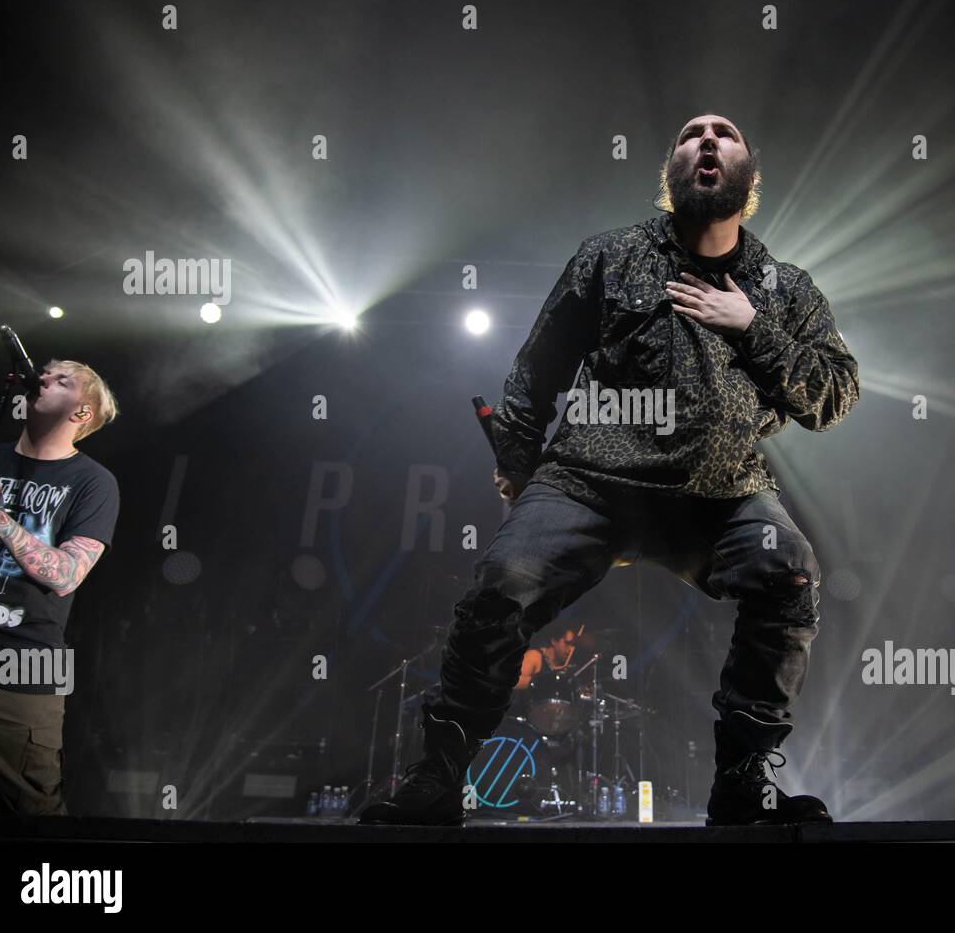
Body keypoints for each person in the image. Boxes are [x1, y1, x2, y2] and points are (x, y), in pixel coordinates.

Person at [361, 113, 860, 827]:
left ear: (750, 174)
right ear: (673, 169)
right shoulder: (610, 256)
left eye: (726, 133)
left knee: (792, 573)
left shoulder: (785, 289)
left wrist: (752, 326)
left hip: (719, 493)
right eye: (693, 134)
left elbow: (835, 394)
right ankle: (438, 774)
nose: (709, 139)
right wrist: (519, 469)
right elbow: (536, 371)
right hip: (588, 481)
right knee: (501, 584)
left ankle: (742, 781)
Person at [0, 360, 120, 814]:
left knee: (33, 816)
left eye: (63, 380)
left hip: (19, 668)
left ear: (82, 414)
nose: (45, 377)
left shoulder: (93, 483)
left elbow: (66, 575)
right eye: (47, 371)